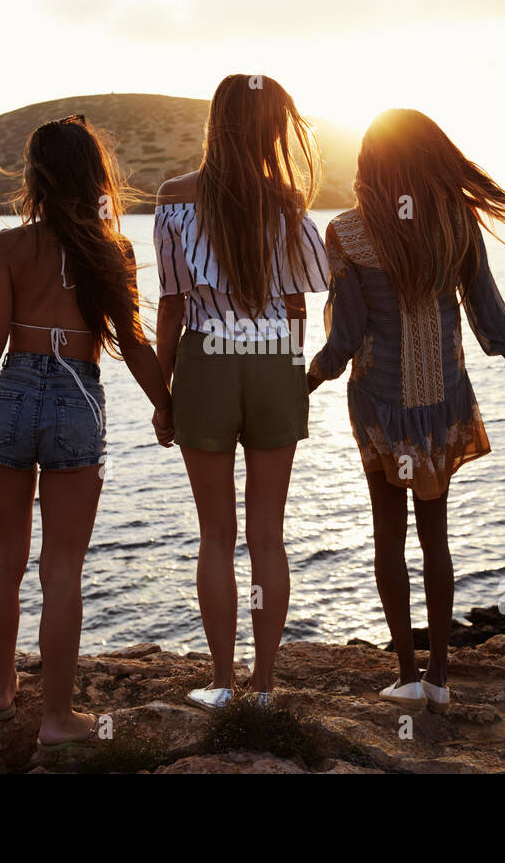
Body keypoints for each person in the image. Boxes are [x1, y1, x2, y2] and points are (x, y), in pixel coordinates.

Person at [0, 115, 172, 746]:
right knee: (63, 571)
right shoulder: (116, 250)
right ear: (94, 176)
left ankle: (1, 690)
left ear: (36, 178)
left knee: (4, 559)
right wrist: (167, 406)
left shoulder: (7, 247)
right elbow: (133, 344)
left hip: (13, 397)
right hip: (77, 398)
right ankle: (56, 719)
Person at [307, 108, 505, 713]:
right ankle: (441, 677)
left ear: (369, 162)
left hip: (379, 403)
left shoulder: (347, 232)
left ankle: (405, 674)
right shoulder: (457, 222)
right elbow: (494, 323)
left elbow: (344, 339)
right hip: (441, 405)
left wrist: (298, 386)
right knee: (437, 539)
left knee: (387, 540)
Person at [153, 74, 329, 710]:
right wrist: (291, 369)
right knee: (269, 536)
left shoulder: (175, 198)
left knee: (215, 535)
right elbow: (296, 304)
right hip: (274, 359)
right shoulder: (286, 204)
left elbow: (171, 308)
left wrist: (162, 394)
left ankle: (222, 682)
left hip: (206, 359)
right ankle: (265, 685)